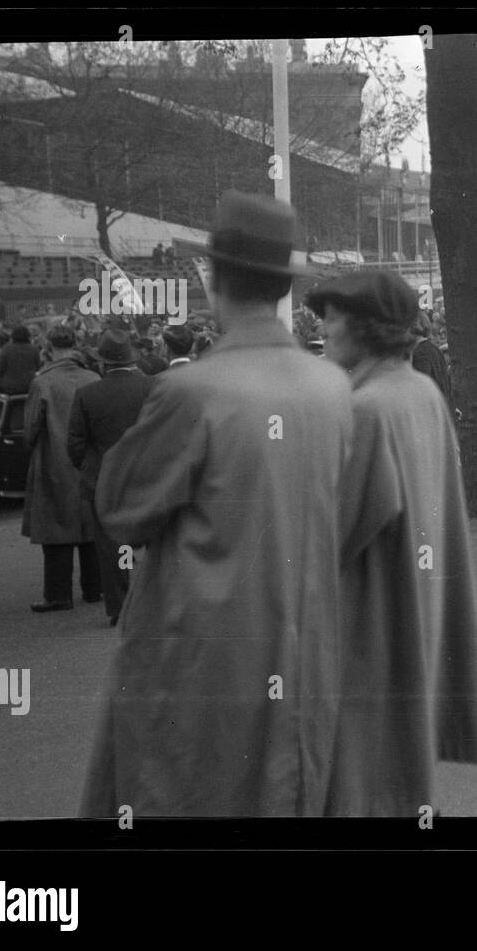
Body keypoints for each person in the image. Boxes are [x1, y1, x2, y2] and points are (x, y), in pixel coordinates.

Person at [80, 190, 356, 817]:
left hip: (205, 654)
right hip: (302, 646)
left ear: (215, 280)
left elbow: (122, 508)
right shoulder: (330, 387)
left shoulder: (192, 390)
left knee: (187, 793)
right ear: (281, 285)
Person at [306, 270, 477, 816]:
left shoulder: (368, 409)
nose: (324, 328)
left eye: (334, 317)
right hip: (409, 609)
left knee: (355, 781)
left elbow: (329, 536)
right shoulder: (418, 392)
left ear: (365, 328)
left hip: (368, 621)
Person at [66, 329, 157, 627]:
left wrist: (90, 467)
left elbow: (75, 443)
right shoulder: (153, 387)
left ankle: (120, 607)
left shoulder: (88, 394)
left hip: (103, 479)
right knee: (157, 542)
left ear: (103, 363)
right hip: (146, 476)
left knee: (112, 546)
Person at [23, 324, 102, 613]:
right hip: (88, 461)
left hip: (54, 461)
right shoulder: (93, 377)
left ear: (48, 347)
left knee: (56, 528)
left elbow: (30, 429)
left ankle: (58, 594)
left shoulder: (42, 383)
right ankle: (95, 588)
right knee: (90, 523)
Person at [410, 310, 457, 419]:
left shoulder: (419, 354)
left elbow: (421, 389)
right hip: (444, 411)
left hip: (431, 415)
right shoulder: (435, 350)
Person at [0, 324, 42, 395]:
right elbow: (38, 368)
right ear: (27, 335)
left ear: (13, 336)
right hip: (30, 386)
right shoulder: (34, 349)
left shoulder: (6, 349)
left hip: (9, 387)